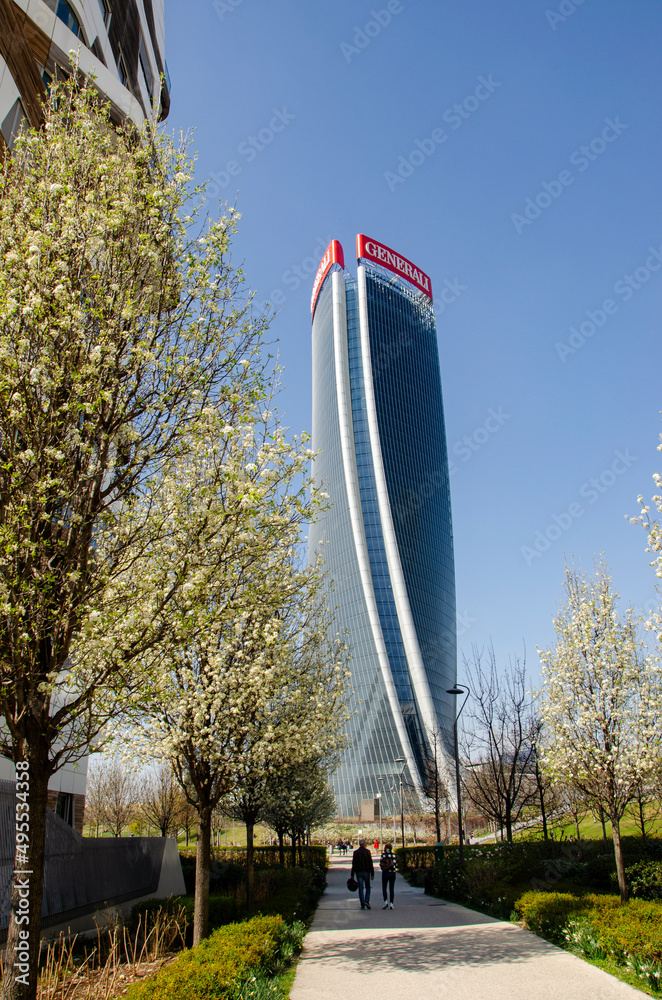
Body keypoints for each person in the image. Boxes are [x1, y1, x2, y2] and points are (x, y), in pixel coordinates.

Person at [350, 838, 374, 909]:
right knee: (368, 887)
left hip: (358, 872)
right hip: (366, 872)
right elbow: (370, 863)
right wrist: (372, 873)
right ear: (363, 844)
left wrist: (352, 875)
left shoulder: (356, 852)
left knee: (360, 888)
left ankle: (362, 904)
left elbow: (353, 864)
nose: (366, 844)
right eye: (366, 843)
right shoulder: (367, 852)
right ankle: (367, 900)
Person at [379, 842, 397, 909]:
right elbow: (396, 865)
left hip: (385, 873)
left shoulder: (383, 855)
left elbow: (381, 864)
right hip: (392, 873)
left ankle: (385, 902)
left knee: (384, 888)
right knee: (391, 888)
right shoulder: (394, 855)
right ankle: (391, 904)